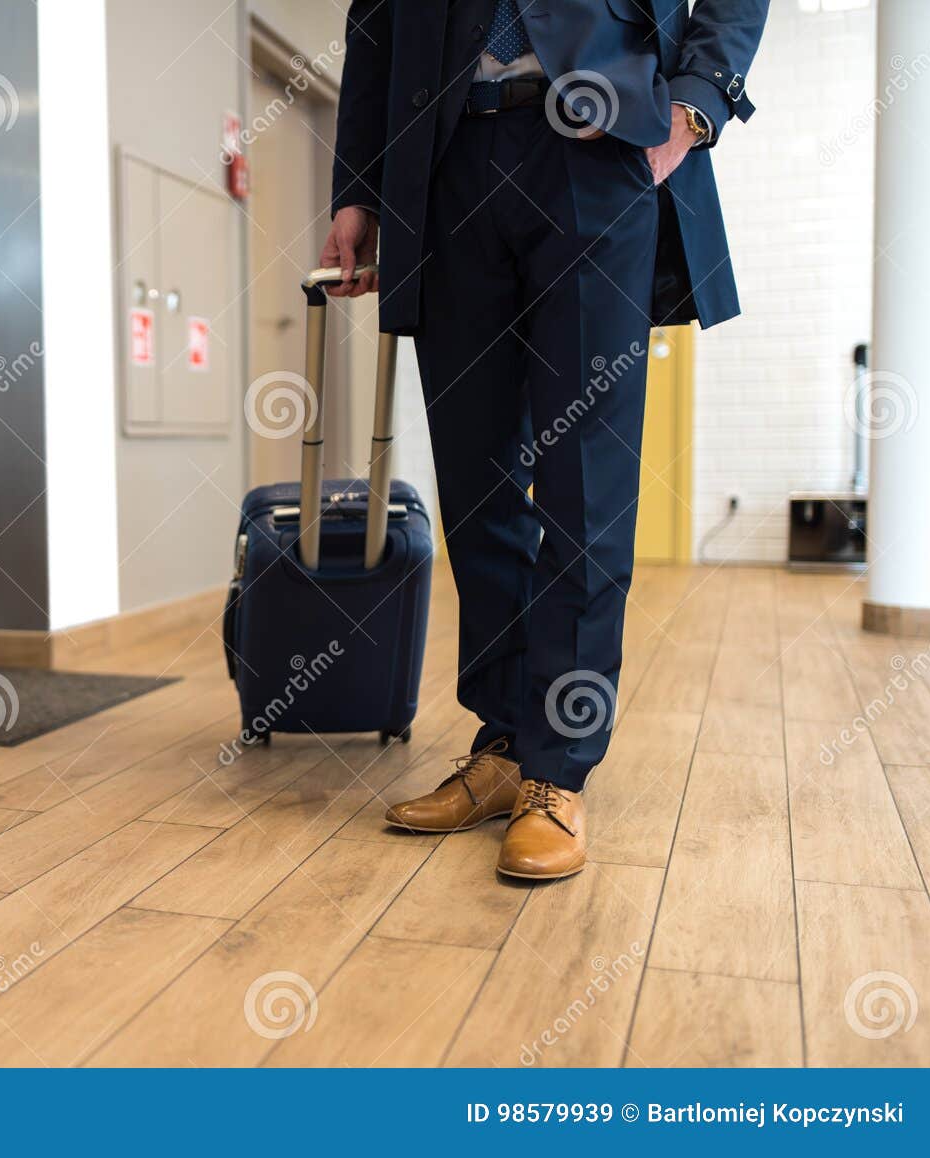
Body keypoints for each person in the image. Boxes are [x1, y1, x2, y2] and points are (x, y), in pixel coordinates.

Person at [322, 0, 768, 879]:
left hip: (599, 149)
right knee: (476, 477)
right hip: (445, 159)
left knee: (585, 481)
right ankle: (502, 743)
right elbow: (373, 25)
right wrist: (358, 188)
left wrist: (691, 108)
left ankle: (557, 769)